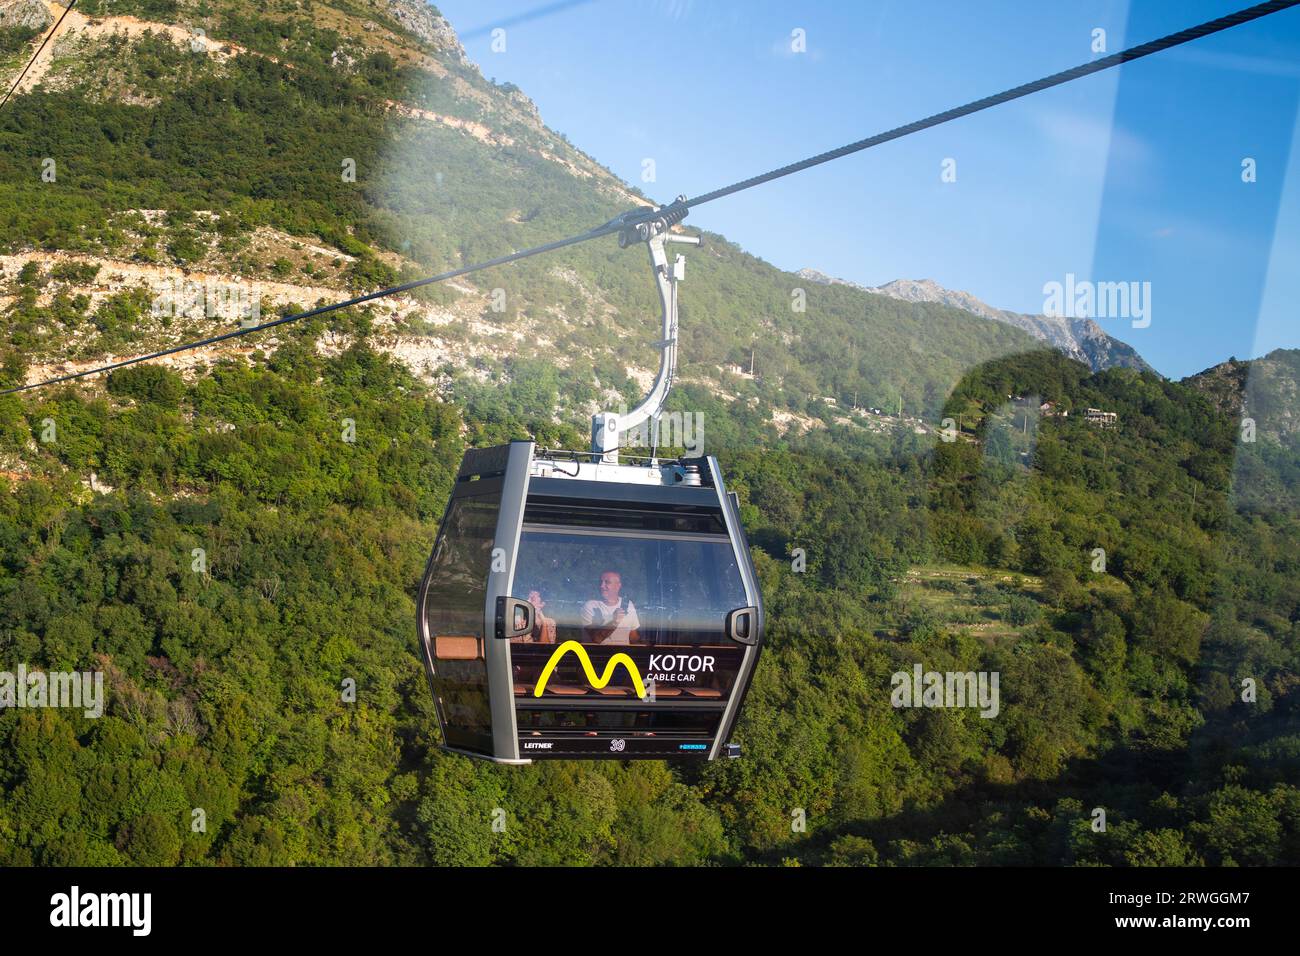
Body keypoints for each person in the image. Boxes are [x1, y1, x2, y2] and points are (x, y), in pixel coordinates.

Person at [581, 570, 640, 645]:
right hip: (599, 652)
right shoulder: (591, 606)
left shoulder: (628, 604)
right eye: (600, 582)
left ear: (618, 586)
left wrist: (648, 646)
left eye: (607, 582)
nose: (602, 586)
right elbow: (596, 639)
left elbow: (633, 636)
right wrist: (614, 622)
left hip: (623, 652)